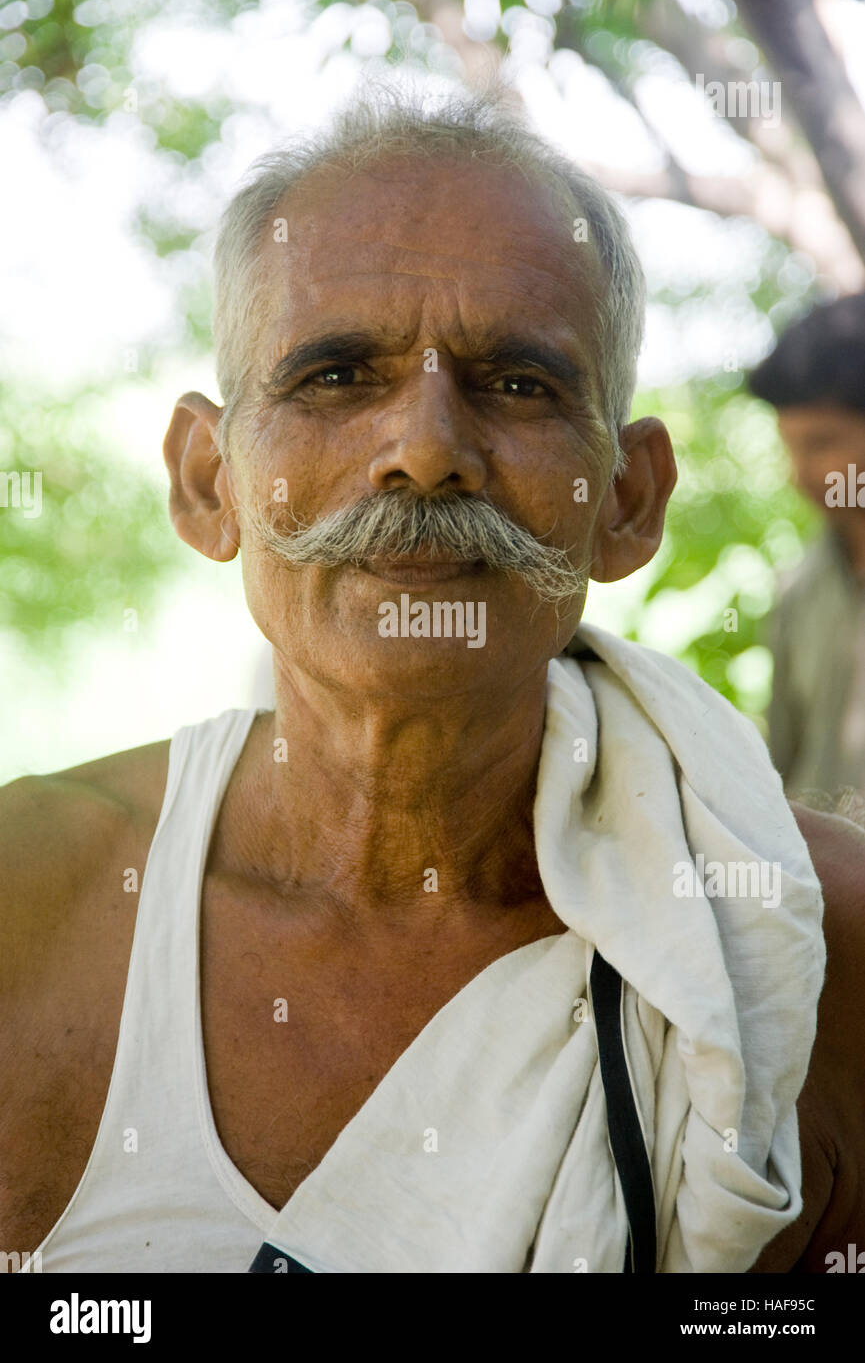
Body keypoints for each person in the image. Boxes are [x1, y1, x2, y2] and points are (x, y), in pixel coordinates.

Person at [2, 84, 863, 1275]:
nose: (425, 449)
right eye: (337, 377)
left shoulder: (806, 941)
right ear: (211, 481)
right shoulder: (26, 900)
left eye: (517, 382)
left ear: (626, 501)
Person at [748, 293, 865, 799]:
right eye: (790, 447)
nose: (801, 474)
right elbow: (784, 766)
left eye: (822, 443)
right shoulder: (800, 592)